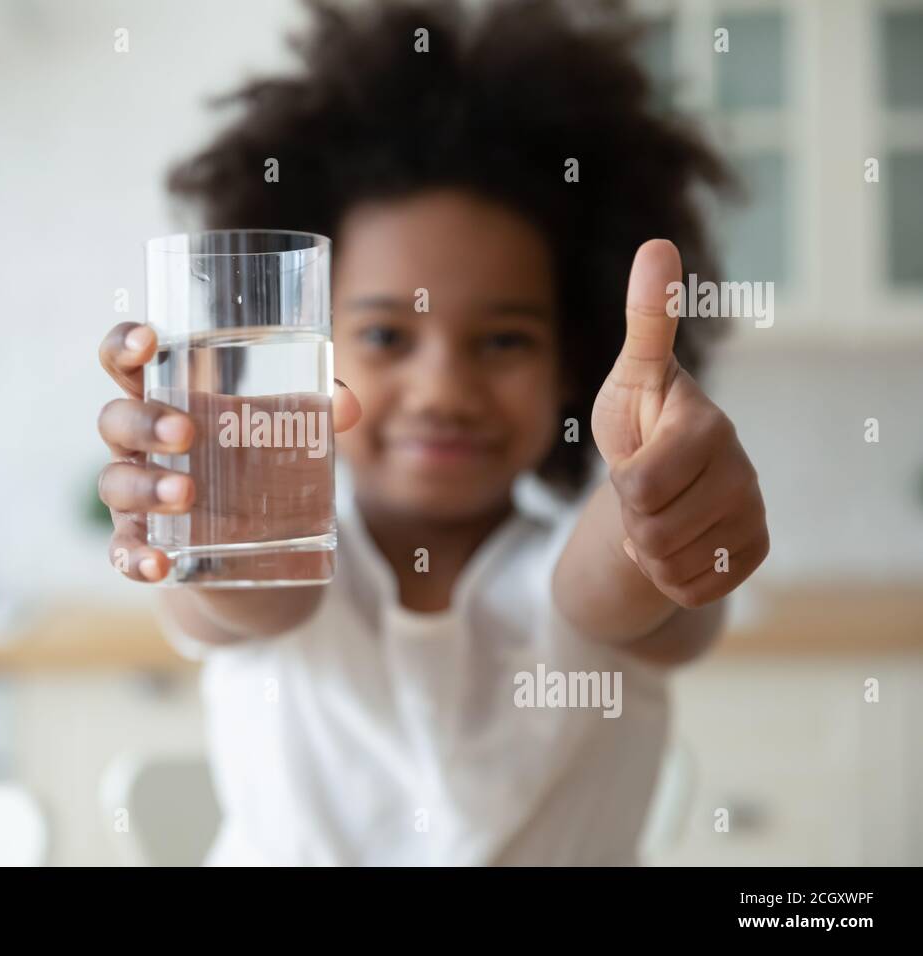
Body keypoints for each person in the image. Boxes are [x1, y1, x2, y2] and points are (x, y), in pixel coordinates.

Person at [96, 0, 768, 865]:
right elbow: (252, 589)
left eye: (503, 340)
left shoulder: (580, 569)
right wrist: (201, 504)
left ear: (577, 359)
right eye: (384, 337)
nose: (443, 390)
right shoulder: (271, 553)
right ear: (303, 348)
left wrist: (660, 511)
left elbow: (614, 579)